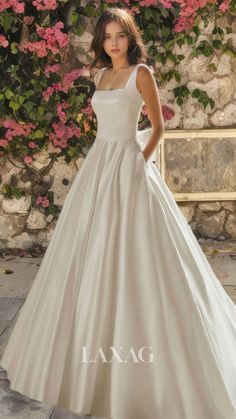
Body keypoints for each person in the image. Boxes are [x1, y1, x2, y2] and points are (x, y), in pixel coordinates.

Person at [1, 6, 236, 419]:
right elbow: (102, 129)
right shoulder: (98, 76)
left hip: (129, 164)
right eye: (107, 36)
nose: (114, 43)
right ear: (101, 41)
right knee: (90, 253)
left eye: (120, 36)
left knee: (141, 255)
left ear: (130, 38)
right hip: (99, 167)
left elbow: (158, 128)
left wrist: (138, 163)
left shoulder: (140, 74)